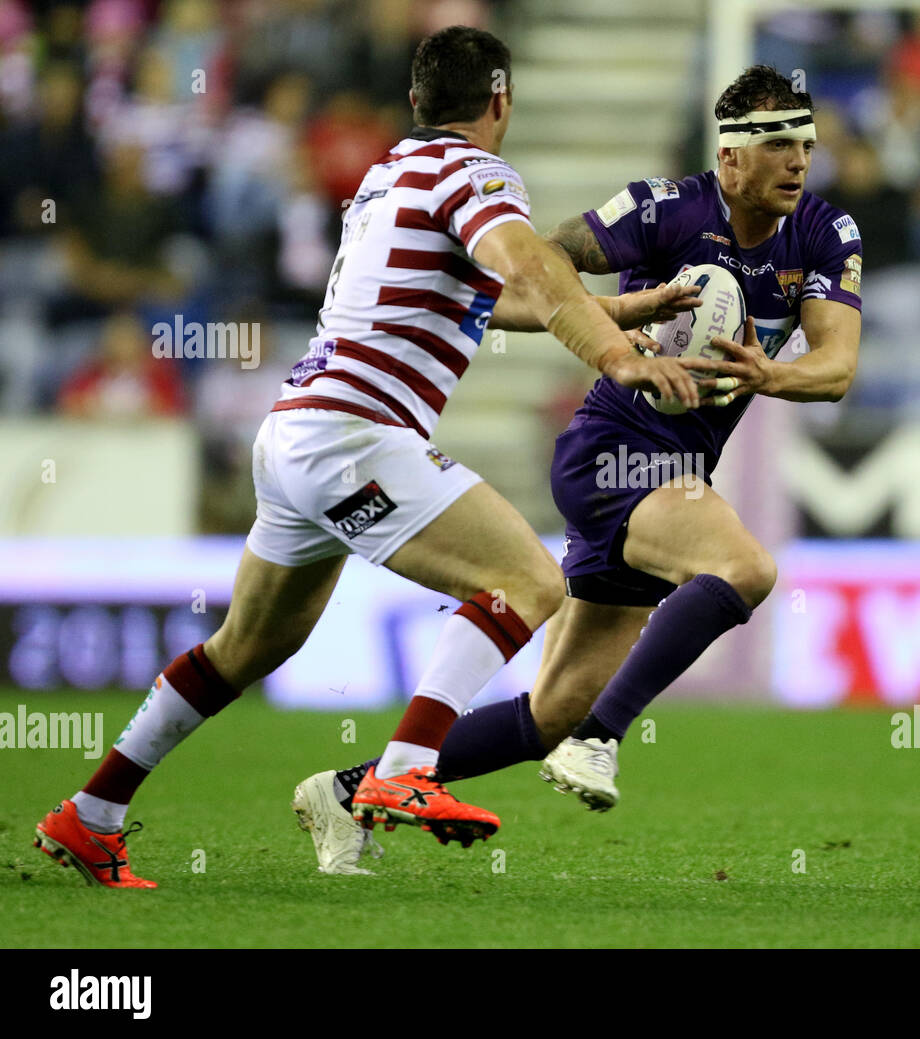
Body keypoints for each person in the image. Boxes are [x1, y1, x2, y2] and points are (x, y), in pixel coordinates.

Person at [33, 25, 711, 889]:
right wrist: (621, 358)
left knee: (242, 647)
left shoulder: (386, 174)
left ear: (417, 102)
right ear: (501, 100)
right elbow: (528, 272)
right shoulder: (480, 173)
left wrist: (621, 307)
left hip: (294, 433)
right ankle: (402, 768)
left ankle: (91, 813)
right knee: (529, 583)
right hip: (359, 429)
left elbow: (470, 296)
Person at [302, 65, 862, 874]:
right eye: (777, 144)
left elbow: (838, 366)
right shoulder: (664, 208)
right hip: (611, 451)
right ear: (730, 159)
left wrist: (770, 373)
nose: (799, 160)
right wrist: (610, 320)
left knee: (549, 714)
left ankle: (348, 790)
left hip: (675, 469)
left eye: (804, 144)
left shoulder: (822, 233)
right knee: (743, 566)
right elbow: (533, 268)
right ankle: (605, 738)